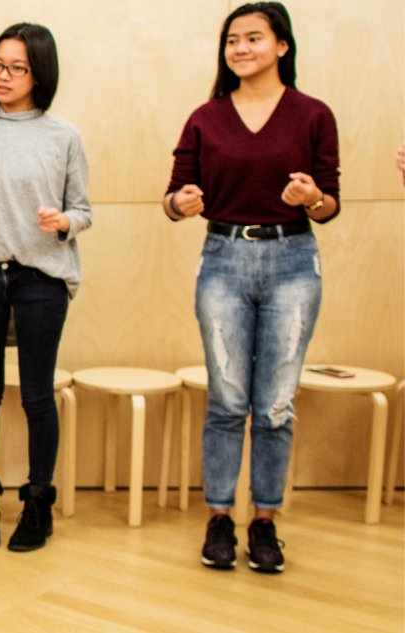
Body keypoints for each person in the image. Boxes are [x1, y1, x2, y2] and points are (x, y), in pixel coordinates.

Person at [163, 1, 338, 574]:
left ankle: (264, 521)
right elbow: (173, 196)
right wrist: (179, 203)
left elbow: (330, 203)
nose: (240, 49)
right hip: (223, 259)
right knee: (228, 399)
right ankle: (219, 517)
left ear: (281, 46)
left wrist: (311, 198)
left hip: (293, 260)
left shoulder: (312, 114)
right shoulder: (206, 117)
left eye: (253, 39)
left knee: (276, 406)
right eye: (232, 40)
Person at [0, 22, 91, 553]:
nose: (2, 76)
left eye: (17, 68)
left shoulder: (63, 136)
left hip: (41, 278)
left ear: (39, 74)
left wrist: (64, 223)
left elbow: (84, 211)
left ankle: (37, 502)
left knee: (35, 395)